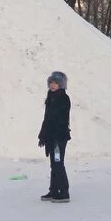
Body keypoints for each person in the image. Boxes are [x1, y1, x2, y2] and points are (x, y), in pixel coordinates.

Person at [37, 71, 71, 202]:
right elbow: (47, 118)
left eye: (56, 83)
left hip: (59, 137)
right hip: (51, 137)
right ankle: (53, 190)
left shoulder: (63, 98)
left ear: (61, 85)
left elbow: (59, 119)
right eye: (51, 82)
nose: (53, 85)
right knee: (54, 164)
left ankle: (64, 192)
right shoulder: (50, 96)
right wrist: (43, 135)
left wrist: (55, 134)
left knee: (58, 163)